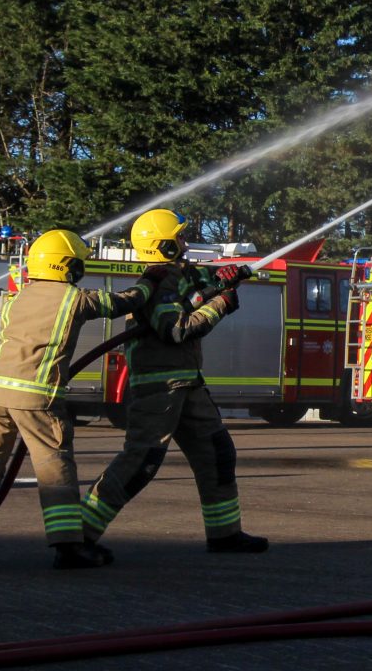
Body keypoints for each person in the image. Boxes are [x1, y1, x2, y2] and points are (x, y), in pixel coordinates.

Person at [0, 228, 165, 571]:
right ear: (65, 266)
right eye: (77, 263)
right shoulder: (73, 298)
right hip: (35, 396)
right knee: (54, 469)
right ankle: (67, 547)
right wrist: (150, 280)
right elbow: (124, 302)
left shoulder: (16, 298)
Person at [80, 209, 267, 554]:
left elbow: (199, 282)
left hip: (186, 386)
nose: (184, 241)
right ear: (164, 246)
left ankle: (225, 533)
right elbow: (176, 328)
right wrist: (221, 303)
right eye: (179, 237)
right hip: (159, 391)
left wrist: (224, 274)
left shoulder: (179, 275)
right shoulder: (159, 281)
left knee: (217, 453)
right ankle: (80, 535)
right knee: (140, 463)